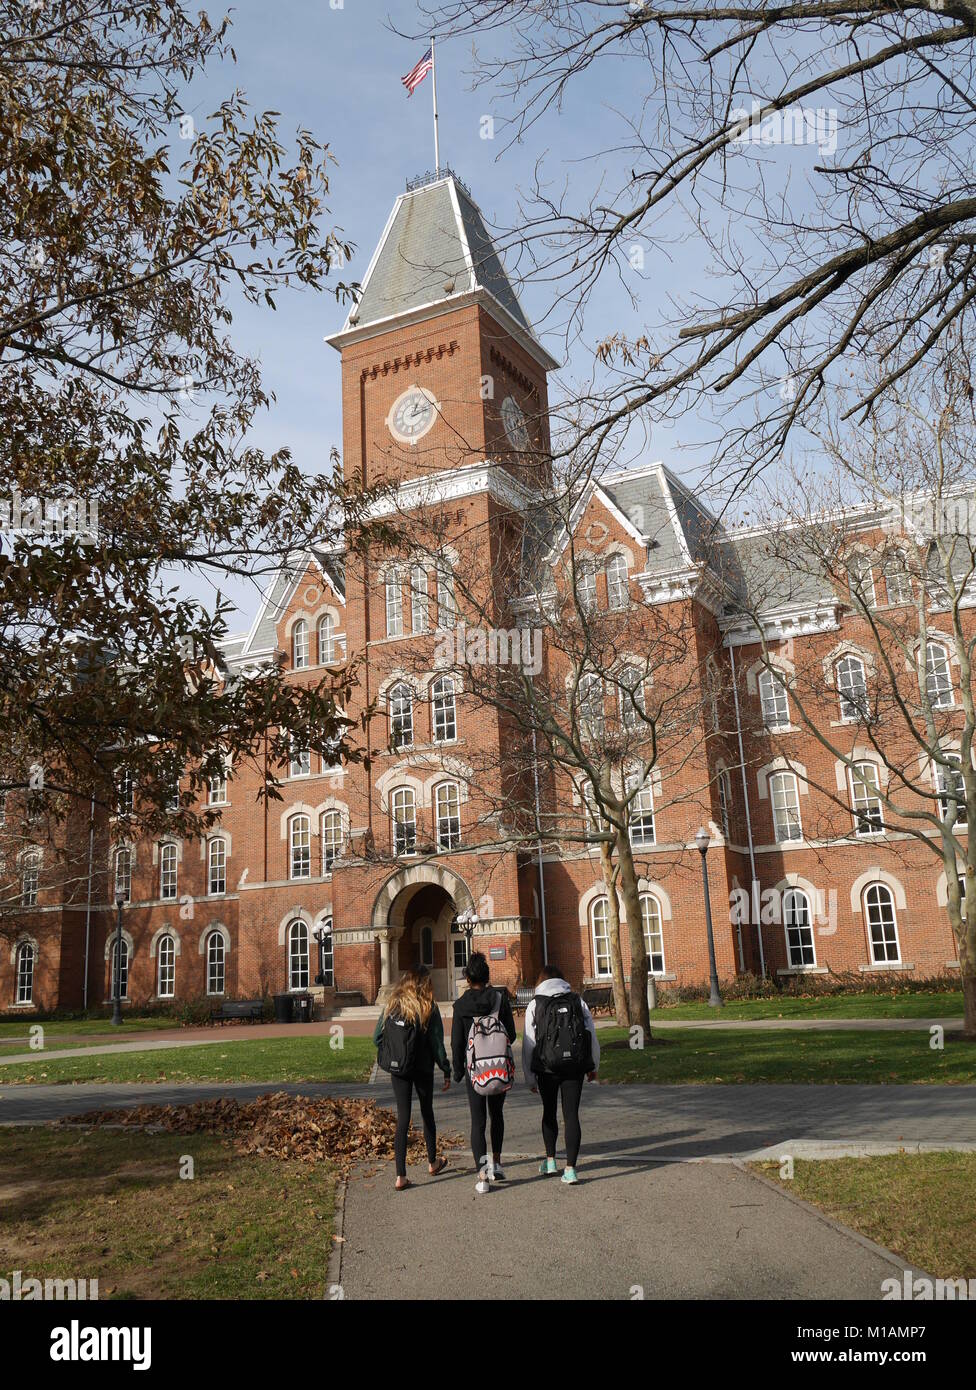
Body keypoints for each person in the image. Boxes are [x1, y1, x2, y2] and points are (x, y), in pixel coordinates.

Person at [373, 967, 451, 1190]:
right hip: (423, 1067)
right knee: (427, 1114)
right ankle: (432, 1162)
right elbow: (437, 1044)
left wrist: (392, 1054)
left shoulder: (393, 1004)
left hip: (399, 1069)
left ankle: (400, 1176)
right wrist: (445, 1069)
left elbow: (377, 1037)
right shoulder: (429, 1007)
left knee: (403, 1119)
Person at [522, 964, 600, 1185]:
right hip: (574, 1066)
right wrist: (594, 1065)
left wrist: (529, 1076)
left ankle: (550, 1160)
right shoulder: (577, 1001)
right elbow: (590, 1035)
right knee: (571, 1115)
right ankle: (571, 1169)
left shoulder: (535, 1005)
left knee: (549, 1111)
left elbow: (528, 1043)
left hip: (547, 1067)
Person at [450, 950, 517, 1194]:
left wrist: (458, 1071)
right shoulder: (499, 999)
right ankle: (497, 1162)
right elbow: (512, 1032)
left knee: (478, 1122)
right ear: (487, 976)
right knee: (496, 1115)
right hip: (498, 1066)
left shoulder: (461, 1005)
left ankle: (482, 1175)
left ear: (468, 978)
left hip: (474, 1070)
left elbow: (457, 1043)